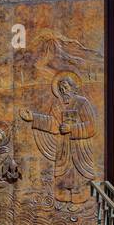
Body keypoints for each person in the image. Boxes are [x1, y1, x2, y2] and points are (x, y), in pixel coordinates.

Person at [20, 73, 97, 204]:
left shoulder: (82, 103)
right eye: (61, 88)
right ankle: (63, 201)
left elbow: (92, 126)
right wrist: (34, 117)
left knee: (78, 176)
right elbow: (54, 124)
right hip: (63, 148)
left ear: (73, 88)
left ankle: (79, 202)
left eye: (65, 87)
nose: (63, 90)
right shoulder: (57, 105)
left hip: (78, 147)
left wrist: (71, 128)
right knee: (64, 175)